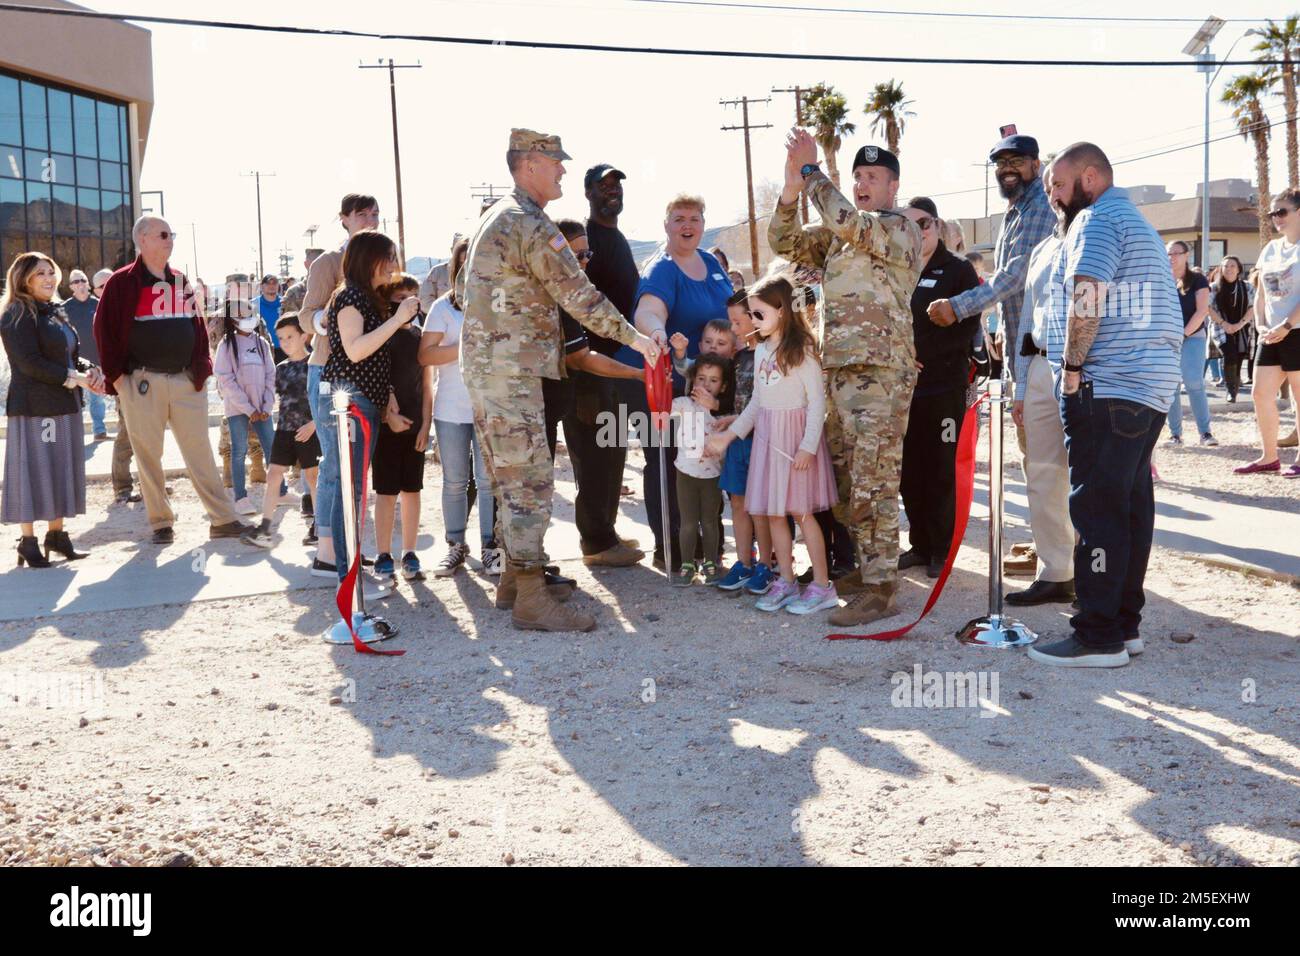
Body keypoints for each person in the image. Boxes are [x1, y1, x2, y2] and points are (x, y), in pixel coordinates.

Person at [458, 128, 659, 633]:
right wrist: (638, 340)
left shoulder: (495, 216)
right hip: (513, 372)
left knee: (509, 479)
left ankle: (512, 583)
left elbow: (466, 293)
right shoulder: (528, 222)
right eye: (555, 163)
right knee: (529, 482)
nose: (563, 170)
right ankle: (530, 597)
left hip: (492, 369)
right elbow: (581, 296)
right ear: (529, 165)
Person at [1028, 142, 1182, 668]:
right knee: (1130, 506)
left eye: (1060, 184)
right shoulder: (1132, 221)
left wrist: (1071, 369)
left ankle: (1097, 636)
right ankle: (1124, 625)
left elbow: (1088, 292)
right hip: (1146, 387)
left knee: (1096, 508)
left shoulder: (1096, 220)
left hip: (1108, 385)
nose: (1053, 196)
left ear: (1090, 178)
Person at [770, 130, 920, 627]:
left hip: (881, 371)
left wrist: (815, 173)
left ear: (893, 186)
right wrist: (792, 188)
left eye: (872, 176)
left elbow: (850, 223)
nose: (861, 183)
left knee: (875, 481)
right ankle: (865, 569)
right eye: (856, 176)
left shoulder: (901, 228)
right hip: (840, 369)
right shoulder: (839, 231)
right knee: (847, 480)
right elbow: (784, 241)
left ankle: (882, 587)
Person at [927, 129, 1057, 578]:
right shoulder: (1016, 211)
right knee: (1035, 458)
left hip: (1043, 356)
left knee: (1045, 462)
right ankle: (1049, 546)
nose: (1007, 169)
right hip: (1023, 351)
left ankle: (1060, 559)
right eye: (1001, 162)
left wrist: (959, 306)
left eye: (1016, 161)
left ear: (1036, 165)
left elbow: (1015, 277)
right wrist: (999, 330)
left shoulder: (1040, 207)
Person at [94, 216, 250, 544]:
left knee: (200, 453)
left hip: (185, 381)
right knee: (149, 455)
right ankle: (160, 522)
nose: (170, 240)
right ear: (144, 240)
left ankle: (222, 519)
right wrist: (118, 380)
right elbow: (104, 330)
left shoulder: (180, 280)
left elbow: (198, 325)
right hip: (141, 382)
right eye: (163, 235)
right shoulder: (121, 283)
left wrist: (202, 371)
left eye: (171, 235)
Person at [705, 275, 839, 616]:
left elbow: (816, 404)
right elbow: (756, 405)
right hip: (768, 439)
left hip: (795, 442)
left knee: (802, 513)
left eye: (759, 314)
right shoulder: (762, 349)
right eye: (751, 314)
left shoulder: (802, 351)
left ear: (783, 311)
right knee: (776, 513)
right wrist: (729, 435)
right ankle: (787, 580)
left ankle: (823, 586)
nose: (752, 321)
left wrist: (808, 446)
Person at [627, 193, 734, 571]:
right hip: (669, 387)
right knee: (669, 465)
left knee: (706, 463)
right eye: (679, 219)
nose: (688, 225)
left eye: (695, 218)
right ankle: (670, 547)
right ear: (666, 224)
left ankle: (708, 547)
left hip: (709, 389)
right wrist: (656, 332)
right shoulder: (663, 267)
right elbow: (648, 311)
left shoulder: (710, 263)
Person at [321, 230, 416, 591]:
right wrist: (397, 320)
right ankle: (348, 576)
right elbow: (355, 350)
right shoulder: (350, 298)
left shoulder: (367, 299)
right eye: (389, 257)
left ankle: (350, 570)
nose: (393, 265)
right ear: (370, 260)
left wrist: (387, 395)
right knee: (352, 492)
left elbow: (371, 358)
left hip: (366, 401)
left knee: (356, 490)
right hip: (353, 404)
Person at [897, 197, 982, 580]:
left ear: (938, 225)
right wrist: (900, 354)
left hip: (944, 387)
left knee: (941, 469)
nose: (919, 231)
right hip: (904, 388)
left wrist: (918, 352)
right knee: (909, 471)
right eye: (910, 225)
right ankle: (919, 544)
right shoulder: (897, 266)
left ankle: (942, 549)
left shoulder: (958, 270)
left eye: (925, 223)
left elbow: (965, 329)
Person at [1, 252, 102, 567]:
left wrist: (91, 369)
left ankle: (56, 536)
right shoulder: (16, 313)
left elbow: (70, 354)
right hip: (33, 408)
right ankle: (27, 542)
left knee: (59, 469)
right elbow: (29, 363)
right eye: (39, 274)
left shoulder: (56, 311)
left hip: (65, 405)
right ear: (24, 280)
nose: (48, 279)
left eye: (50, 272)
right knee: (33, 471)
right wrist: (76, 379)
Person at [298, 193, 381, 576]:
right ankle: (328, 552)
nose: (370, 219)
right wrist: (335, 321)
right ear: (344, 219)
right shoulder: (328, 263)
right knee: (334, 462)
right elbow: (305, 314)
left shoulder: (380, 261)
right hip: (329, 368)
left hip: (366, 372)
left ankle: (347, 547)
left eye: (375, 213)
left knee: (356, 467)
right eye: (362, 213)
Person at [1005, 194, 1076, 607]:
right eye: (1051, 188)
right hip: (1037, 365)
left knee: (1082, 477)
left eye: (1061, 185)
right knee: (1042, 475)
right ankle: (1057, 572)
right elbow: (1027, 316)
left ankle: (1090, 573)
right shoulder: (1044, 248)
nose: (1055, 195)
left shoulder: (1094, 236)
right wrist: (1019, 386)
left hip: (1081, 369)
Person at [573, 163, 644, 568]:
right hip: (590, 369)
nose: (611, 191)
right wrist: (584, 380)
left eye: (616, 185)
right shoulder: (586, 243)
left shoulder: (614, 237)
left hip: (615, 366)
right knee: (596, 458)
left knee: (611, 454)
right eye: (603, 186)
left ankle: (605, 534)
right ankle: (596, 543)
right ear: (588, 193)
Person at [421, 239, 498, 576]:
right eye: (465, 263)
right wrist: (464, 348)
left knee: (488, 481)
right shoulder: (442, 308)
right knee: (454, 482)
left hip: (490, 408)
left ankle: (491, 547)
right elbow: (425, 355)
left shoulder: (499, 304)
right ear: (456, 267)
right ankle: (455, 545)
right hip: (451, 410)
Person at [714, 287, 777, 596]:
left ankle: (766, 564)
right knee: (738, 501)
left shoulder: (771, 354)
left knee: (760, 506)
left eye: (737, 323)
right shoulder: (740, 357)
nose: (734, 329)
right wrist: (728, 420)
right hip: (738, 440)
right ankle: (744, 562)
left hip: (763, 440)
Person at [1235, 188, 1300, 477]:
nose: (1276, 218)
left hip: (1296, 330)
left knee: (1299, 397)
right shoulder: (1271, 249)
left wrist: (1286, 325)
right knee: (1261, 393)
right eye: (1273, 213)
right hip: (1270, 333)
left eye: (1282, 211)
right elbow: (1261, 293)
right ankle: (1269, 457)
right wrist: (1261, 324)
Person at [371, 273, 431, 583]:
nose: (407, 304)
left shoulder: (421, 337)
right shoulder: (381, 335)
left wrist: (426, 425)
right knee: (386, 491)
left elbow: (426, 384)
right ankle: (383, 554)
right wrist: (387, 413)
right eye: (399, 299)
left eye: (412, 297)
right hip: (385, 428)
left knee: (412, 490)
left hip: (414, 427)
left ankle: (409, 551)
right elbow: (378, 379)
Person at [242, 315, 320, 549]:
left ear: (304, 336)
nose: (285, 342)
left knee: (313, 478)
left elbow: (325, 399)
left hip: (310, 430)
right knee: (273, 474)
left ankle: (320, 526)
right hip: (285, 430)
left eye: (290, 337)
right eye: (281, 338)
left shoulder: (316, 365)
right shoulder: (280, 368)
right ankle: (265, 529)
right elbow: (272, 398)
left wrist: (314, 424)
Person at [670, 354, 732, 586]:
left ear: (723, 386)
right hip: (685, 471)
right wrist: (661, 385)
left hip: (712, 475)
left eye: (714, 380)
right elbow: (662, 409)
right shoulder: (684, 405)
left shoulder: (722, 414)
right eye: (701, 378)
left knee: (709, 521)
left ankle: (710, 562)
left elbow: (730, 436)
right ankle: (687, 564)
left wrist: (717, 448)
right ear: (693, 380)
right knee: (687, 521)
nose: (706, 385)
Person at [213, 296, 277, 516]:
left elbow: (270, 375)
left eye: (249, 313)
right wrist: (249, 409)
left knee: (272, 449)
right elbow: (225, 379)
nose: (247, 318)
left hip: (263, 408)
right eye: (241, 315)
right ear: (232, 320)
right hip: (238, 409)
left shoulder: (262, 343)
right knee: (239, 451)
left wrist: (267, 405)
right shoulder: (226, 345)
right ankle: (241, 498)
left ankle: (280, 490)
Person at [1164, 240, 1216, 446]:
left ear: (1187, 255)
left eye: (1177, 253)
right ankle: (1175, 434)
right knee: (1171, 386)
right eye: (1169, 253)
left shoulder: (1197, 279)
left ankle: (1205, 433)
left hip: (1192, 336)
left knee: (1194, 382)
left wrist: (1183, 334)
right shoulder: (1162, 279)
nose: (1172, 257)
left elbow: (1202, 311)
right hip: (1166, 340)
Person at [62, 269, 107, 440]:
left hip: (96, 361)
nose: (80, 284)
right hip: (74, 363)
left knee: (97, 399)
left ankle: (99, 431)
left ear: (88, 284)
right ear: (71, 287)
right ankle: (75, 435)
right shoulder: (65, 308)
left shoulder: (98, 304)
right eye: (75, 282)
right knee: (75, 399)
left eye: (83, 280)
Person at [1209, 256, 1252, 403]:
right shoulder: (1214, 287)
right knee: (1229, 354)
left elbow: (1252, 308)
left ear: (1239, 268)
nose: (1229, 269)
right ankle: (1230, 390)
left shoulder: (1247, 286)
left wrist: (1239, 324)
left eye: (1232, 266)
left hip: (1242, 328)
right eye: (1225, 266)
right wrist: (1224, 324)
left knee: (1238, 359)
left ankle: (1234, 388)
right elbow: (1208, 308)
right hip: (1220, 327)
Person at [257, 274, 284, 360]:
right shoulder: (253, 305)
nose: (271, 286)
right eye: (268, 283)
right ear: (261, 286)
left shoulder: (285, 303)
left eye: (274, 283)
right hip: (261, 350)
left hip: (284, 349)